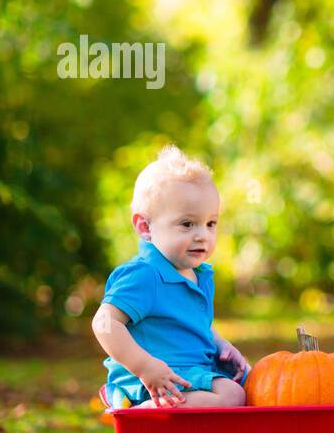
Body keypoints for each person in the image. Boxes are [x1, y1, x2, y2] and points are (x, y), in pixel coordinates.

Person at [92, 145, 249, 409]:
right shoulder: (145, 274)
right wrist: (144, 367)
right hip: (158, 377)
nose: (203, 235)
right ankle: (141, 412)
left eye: (211, 223)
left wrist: (221, 343)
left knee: (248, 381)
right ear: (145, 227)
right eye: (187, 224)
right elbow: (104, 323)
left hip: (190, 371)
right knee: (232, 396)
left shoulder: (199, 274)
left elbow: (194, 322)